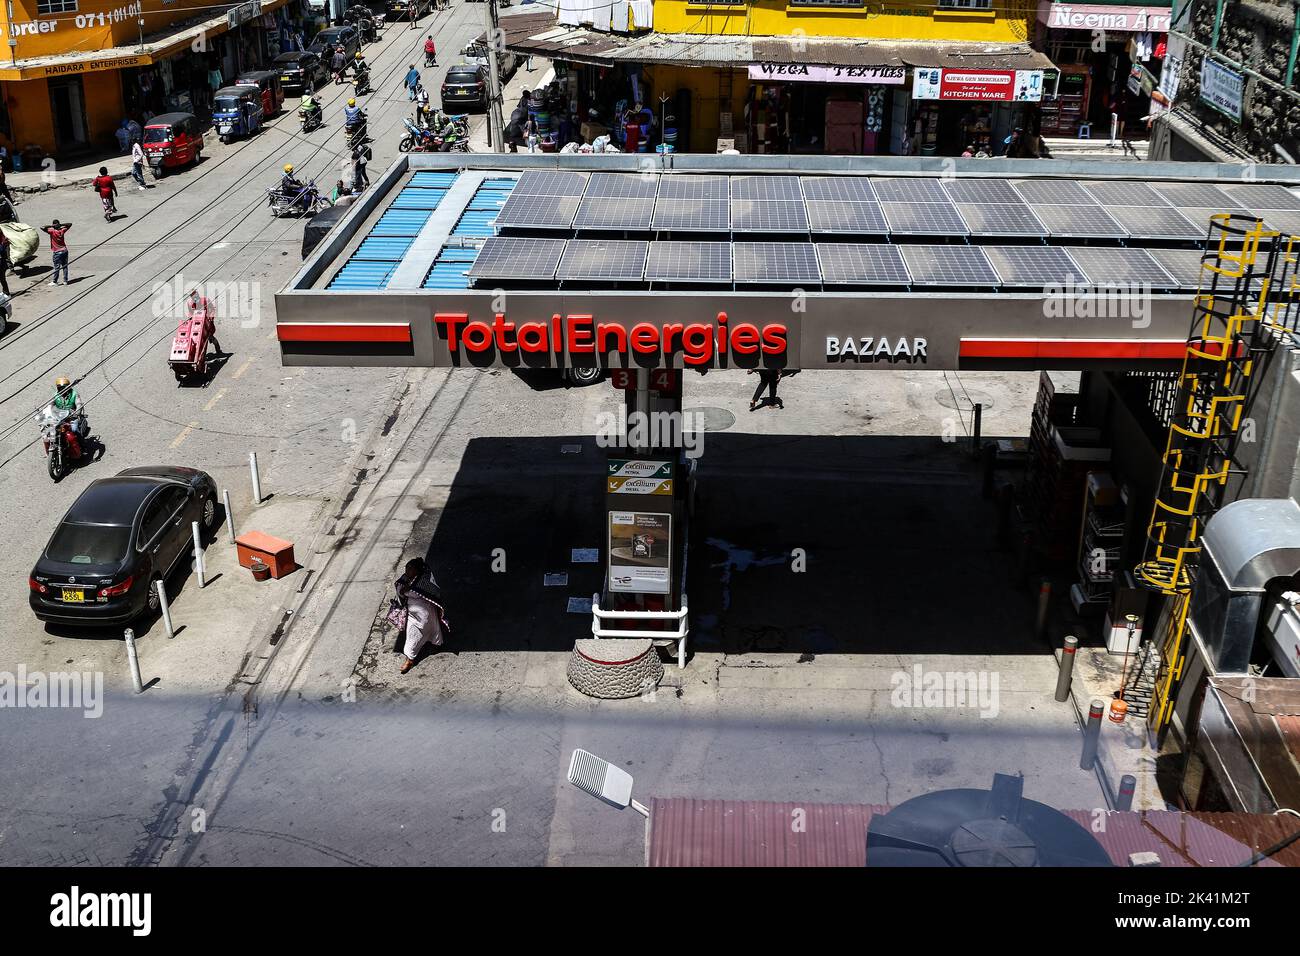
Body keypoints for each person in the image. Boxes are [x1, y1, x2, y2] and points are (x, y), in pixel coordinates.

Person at [393, 557, 446, 674]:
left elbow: (435, 592)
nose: (406, 571)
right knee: (422, 632)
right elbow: (400, 590)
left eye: (410, 569)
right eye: (406, 568)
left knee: (419, 633)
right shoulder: (405, 578)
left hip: (424, 615)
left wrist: (408, 589)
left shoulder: (424, 581)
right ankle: (431, 647)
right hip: (413, 614)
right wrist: (402, 591)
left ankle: (410, 659)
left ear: (417, 571)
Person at [187, 288, 222, 356]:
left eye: (195, 295)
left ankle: (218, 349)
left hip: (207, 324)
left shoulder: (205, 300)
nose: (194, 297)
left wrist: (210, 318)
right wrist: (190, 319)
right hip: (197, 326)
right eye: (192, 296)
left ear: (197, 294)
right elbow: (190, 313)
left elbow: (212, 309)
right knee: (197, 339)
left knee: (210, 337)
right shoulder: (190, 303)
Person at [52, 376, 89, 440]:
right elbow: (50, 404)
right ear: (58, 388)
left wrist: (76, 413)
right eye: (60, 388)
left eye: (64, 387)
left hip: (71, 417)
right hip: (60, 417)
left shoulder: (74, 394)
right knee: (53, 432)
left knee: (74, 429)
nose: (62, 389)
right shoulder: (55, 395)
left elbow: (79, 404)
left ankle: (82, 444)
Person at [42, 220, 71, 285]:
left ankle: (55, 281)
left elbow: (42, 227)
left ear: (54, 225)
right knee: (65, 266)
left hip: (57, 252)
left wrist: (51, 226)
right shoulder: (62, 230)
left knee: (57, 267)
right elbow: (70, 224)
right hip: (64, 250)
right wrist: (60, 225)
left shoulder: (52, 231)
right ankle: (65, 281)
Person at [0, 229, 10, 296]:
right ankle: (6, 292)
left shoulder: (3, 239)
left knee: (2, 278)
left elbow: (2, 250)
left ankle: (6, 292)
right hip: (2, 262)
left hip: (1, 263)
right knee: (2, 279)